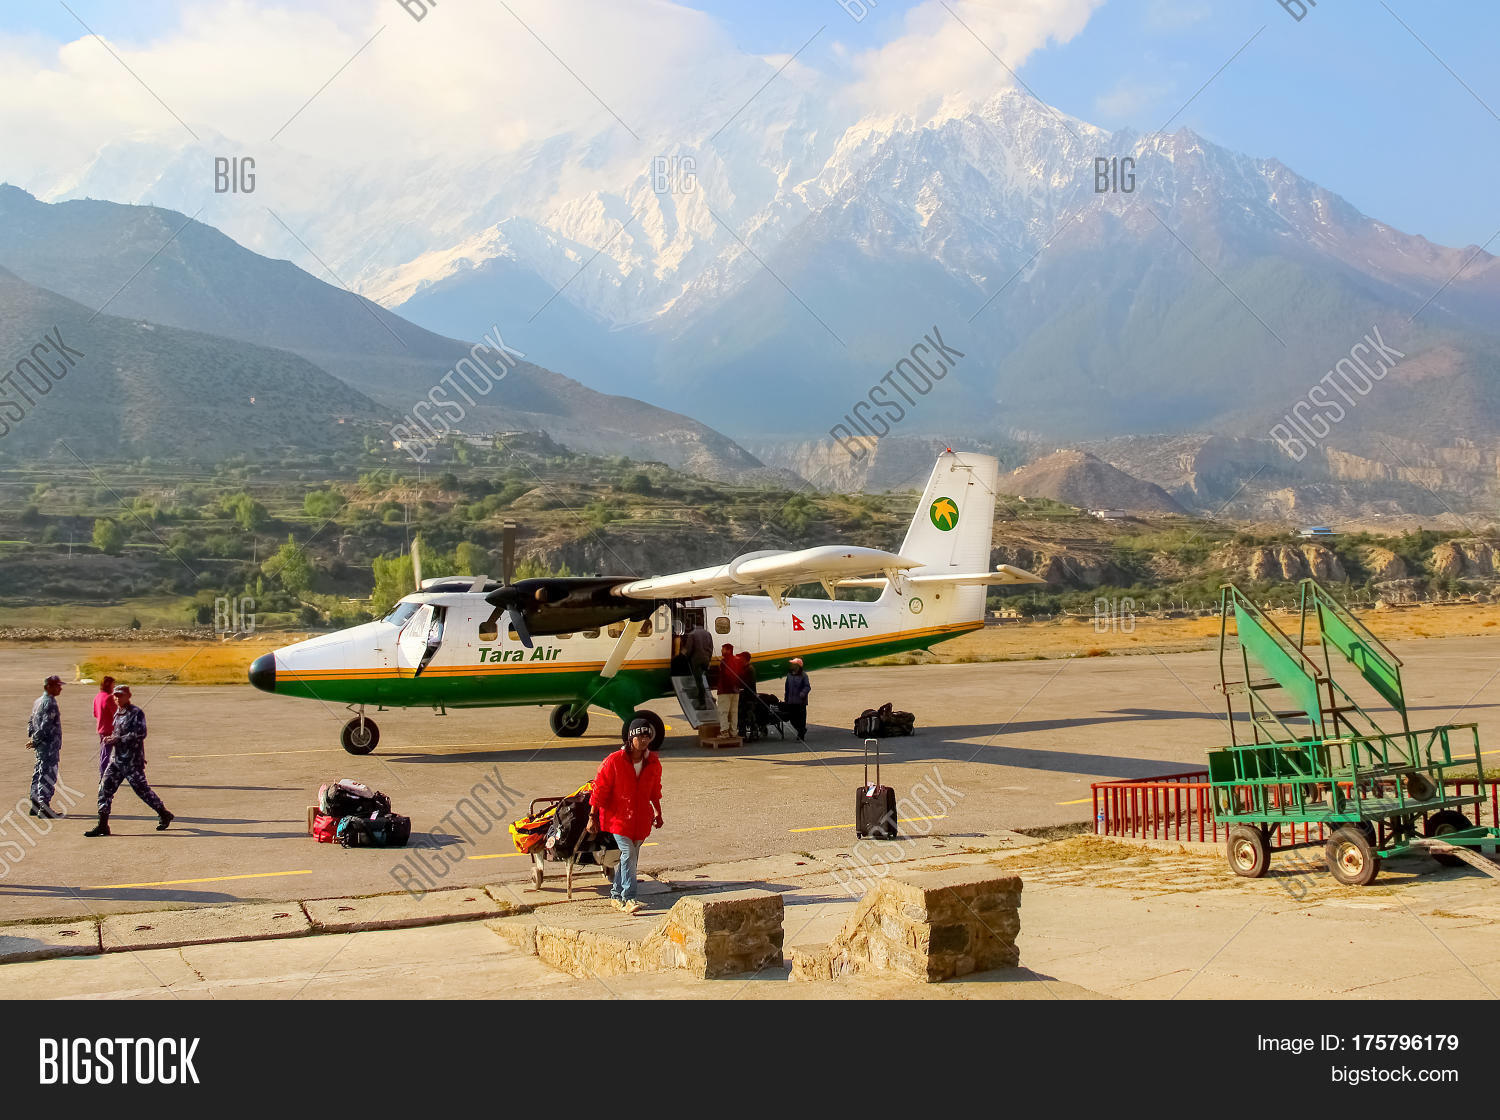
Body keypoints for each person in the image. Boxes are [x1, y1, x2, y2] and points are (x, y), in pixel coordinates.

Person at [588, 718, 663, 914]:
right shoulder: (613, 761)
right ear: (631, 737)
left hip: (641, 819)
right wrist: (592, 816)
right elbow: (600, 790)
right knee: (629, 854)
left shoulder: (653, 762)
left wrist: (658, 811)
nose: (645, 740)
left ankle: (615, 894)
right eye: (641, 736)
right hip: (618, 819)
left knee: (629, 858)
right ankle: (629, 898)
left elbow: (654, 790)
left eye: (648, 736)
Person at [86, 684, 173, 837]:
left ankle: (163, 813)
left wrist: (117, 739)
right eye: (115, 695)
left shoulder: (136, 713)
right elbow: (117, 732)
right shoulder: (118, 713)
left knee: (142, 791)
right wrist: (111, 738)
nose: (117, 698)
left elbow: (140, 734)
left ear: (128, 696)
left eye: (120, 695)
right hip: (117, 760)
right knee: (104, 788)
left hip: (132, 762)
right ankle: (102, 825)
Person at [27, 674, 65, 818]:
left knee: (39, 771)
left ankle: (35, 804)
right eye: (57, 686)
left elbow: (31, 721)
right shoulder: (50, 703)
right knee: (47, 775)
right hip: (49, 746)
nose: (60, 688)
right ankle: (44, 807)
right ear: (48, 687)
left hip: (42, 746)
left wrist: (32, 737)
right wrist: (35, 740)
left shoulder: (38, 701)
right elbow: (45, 726)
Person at [93, 676, 118, 779]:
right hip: (110, 729)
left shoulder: (98, 696)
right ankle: (105, 774)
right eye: (113, 684)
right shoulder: (109, 698)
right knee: (108, 752)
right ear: (109, 685)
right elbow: (116, 714)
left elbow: (95, 713)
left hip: (101, 728)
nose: (114, 686)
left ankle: (103, 773)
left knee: (104, 752)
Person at [783, 657, 811, 742]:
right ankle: (801, 730)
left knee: (801, 719)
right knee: (792, 719)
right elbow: (787, 687)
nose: (791, 665)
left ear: (798, 666)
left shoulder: (804, 675)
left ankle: (801, 735)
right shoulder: (789, 675)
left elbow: (807, 687)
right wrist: (786, 698)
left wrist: (802, 693)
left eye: (793, 664)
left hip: (800, 702)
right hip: (791, 701)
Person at [685, 622, 713, 707]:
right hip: (706, 659)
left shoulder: (692, 634)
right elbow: (711, 647)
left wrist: (686, 658)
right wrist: (709, 659)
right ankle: (709, 696)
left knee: (699, 681)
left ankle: (702, 702)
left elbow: (689, 649)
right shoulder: (708, 634)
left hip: (696, 660)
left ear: (694, 625)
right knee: (706, 679)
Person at [716, 643, 741, 734]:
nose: (721, 651)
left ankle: (724, 731)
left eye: (723, 649)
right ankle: (734, 731)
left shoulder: (724, 662)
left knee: (723, 712)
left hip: (725, 691)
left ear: (728, 650)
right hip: (735, 691)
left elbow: (726, 675)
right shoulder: (737, 660)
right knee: (734, 712)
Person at [737, 650, 758, 740]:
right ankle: (742, 733)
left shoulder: (750, 669)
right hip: (743, 696)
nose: (739, 659)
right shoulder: (744, 668)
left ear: (745, 659)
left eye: (741, 658)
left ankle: (753, 732)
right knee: (741, 715)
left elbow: (749, 683)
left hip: (749, 697)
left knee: (750, 716)